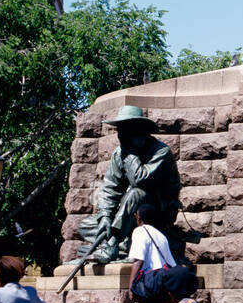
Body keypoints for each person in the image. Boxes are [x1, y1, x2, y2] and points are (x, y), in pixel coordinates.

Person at [75, 106, 183, 264]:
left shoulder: (161, 152)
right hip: (128, 213)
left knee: (136, 193)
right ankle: (122, 242)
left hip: (157, 211)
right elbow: (110, 188)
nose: (120, 135)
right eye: (119, 130)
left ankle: (111, 245)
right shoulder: (120, 153)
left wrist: (131, 154)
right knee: (86, 225)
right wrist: (105, 216)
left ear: (140, 131)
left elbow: (140, 180)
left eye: (125, 130)